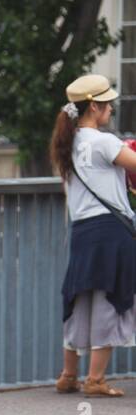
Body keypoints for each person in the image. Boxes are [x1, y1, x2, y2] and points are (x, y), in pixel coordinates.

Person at [50, 74, 135, 398]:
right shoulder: (104, 142)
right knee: (110, 300)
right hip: (111, 231)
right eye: (107, 103)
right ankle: (95, 380)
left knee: (79, 299)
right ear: (94, 106)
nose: (111, 108)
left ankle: (68, 375)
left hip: (82, 230)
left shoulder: (66, 144)